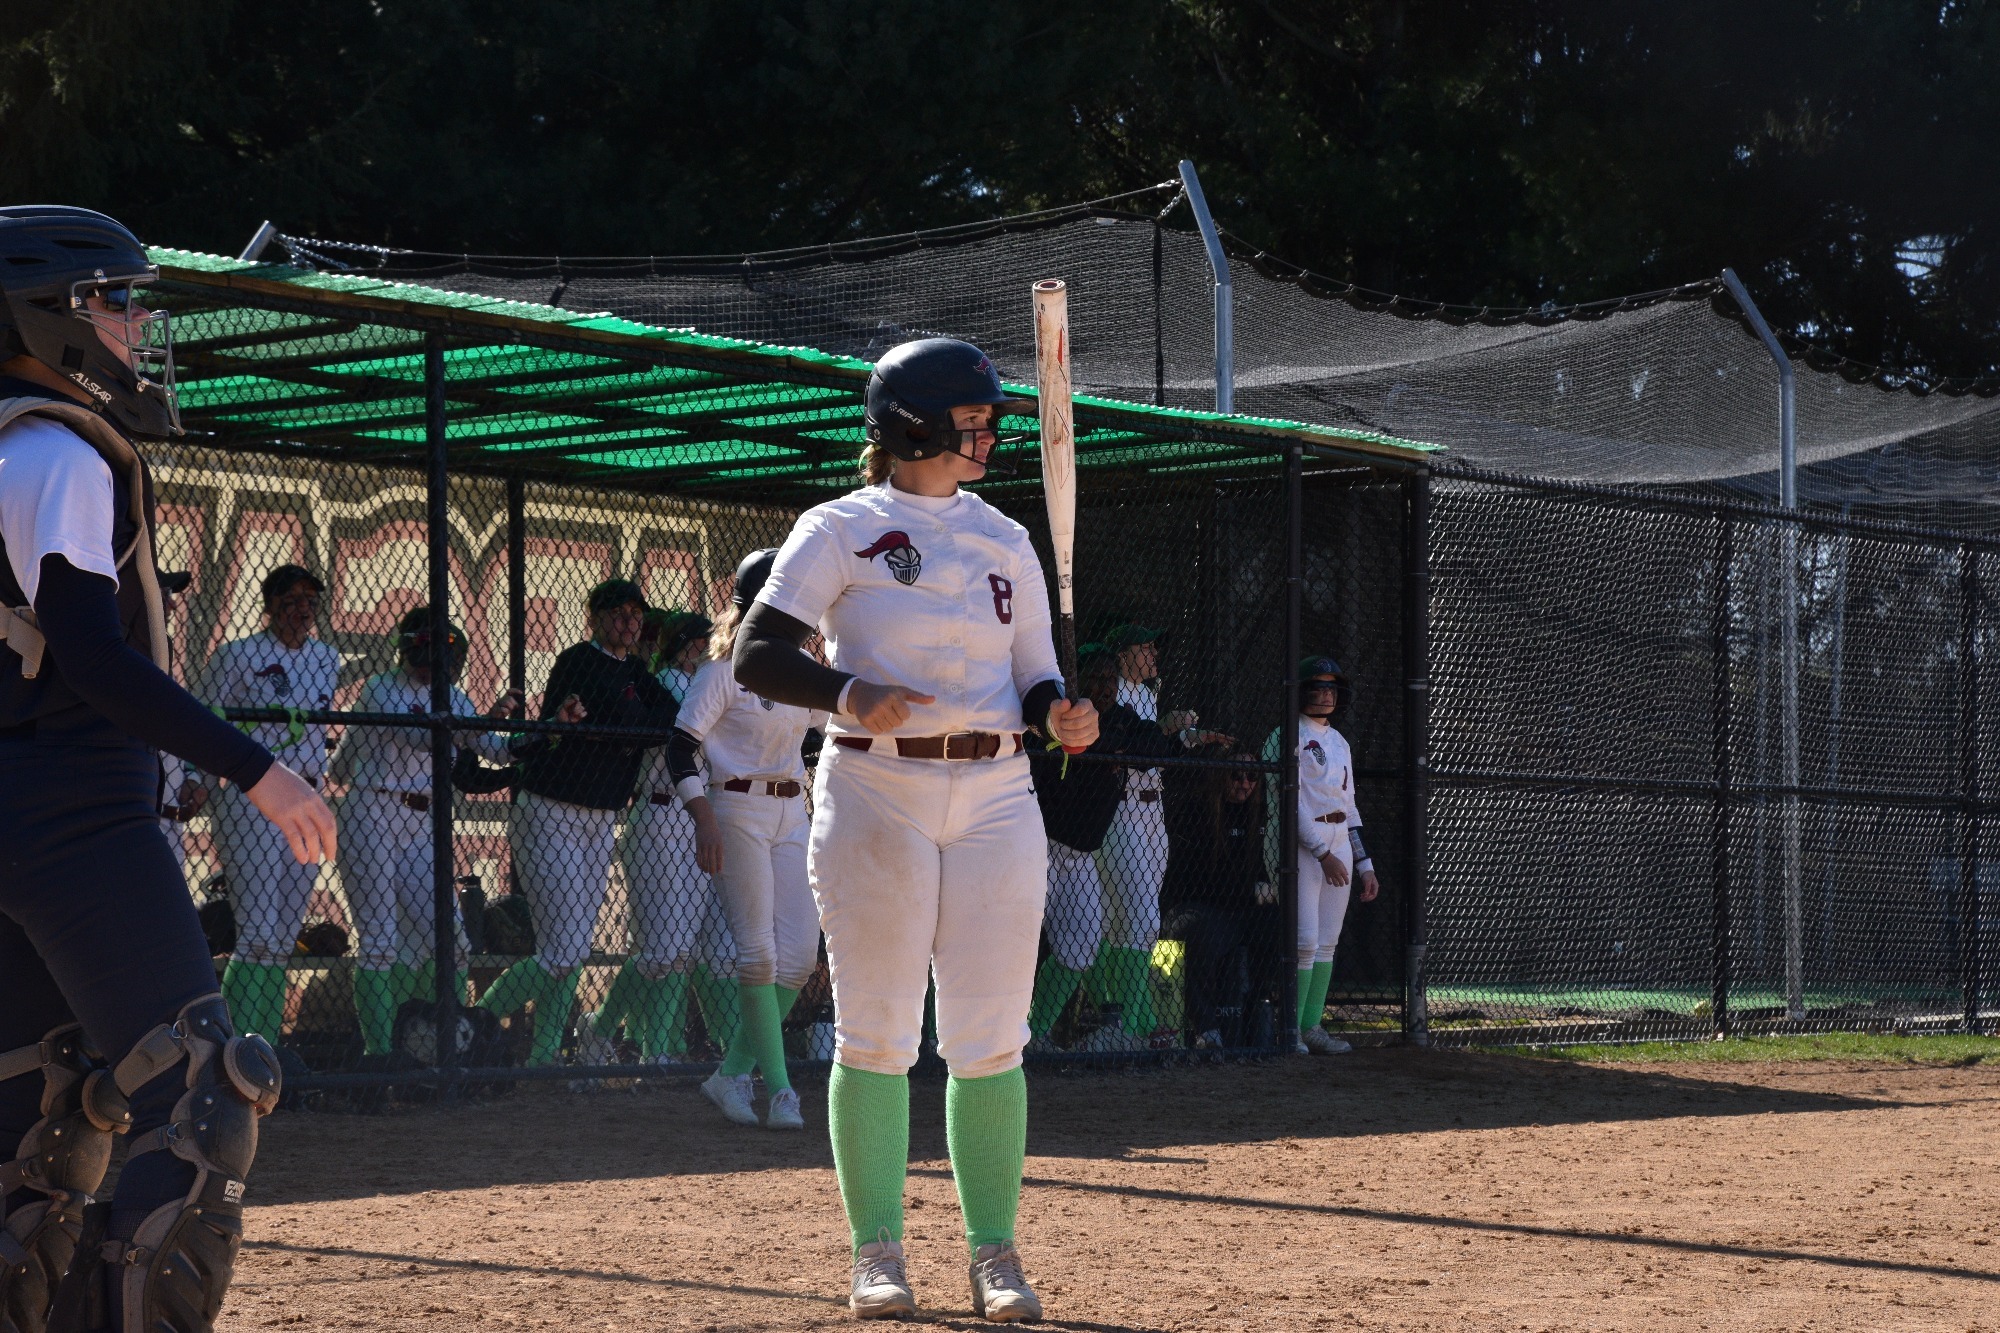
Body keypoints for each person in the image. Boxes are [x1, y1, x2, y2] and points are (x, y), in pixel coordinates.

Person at [0, 205, 335, 1330]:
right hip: (79, 816)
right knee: (204, 1088)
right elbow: (90, 653)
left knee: (35, 1122)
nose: (136, 322)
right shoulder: (56, 451)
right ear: (45, 314)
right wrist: (258, 769)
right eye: (113, 298)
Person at [735, 337, 1097, 1322]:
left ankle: (993, 1254)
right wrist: (848, 690)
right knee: (877, 1032)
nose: (988, 434)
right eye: (971, 419)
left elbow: (1034, 671)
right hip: (873, 791)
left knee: (989, 1038)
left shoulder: (1006, 536)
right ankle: (876, 1251)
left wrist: (1061, 708)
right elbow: (756, 655)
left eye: (987, 418)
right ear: (911, 428)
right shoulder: (839, 527)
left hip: (996, 793)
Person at [477, 579, 677, 1066]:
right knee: (563, 949)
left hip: (602, 817)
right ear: (594, 616)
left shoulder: (635, 669)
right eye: (618, 613)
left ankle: (543, 1058)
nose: (629, 623)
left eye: (636, 614)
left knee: (568, 947)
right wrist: (636, 724)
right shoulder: (577, 659)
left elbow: (668, 719)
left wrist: (635, 723)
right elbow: (625, 719)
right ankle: (471, 1025)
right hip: (552, 809)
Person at [678, 550, 829, 1130]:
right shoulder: (722, 671)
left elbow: (835, 721)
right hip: (735, 807)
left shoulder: (795, 670)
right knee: (758, 953)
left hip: (793, 810)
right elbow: (679, 745)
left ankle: (729, 1075)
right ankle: (782, 1090)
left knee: (798, 958)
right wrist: (703, 817)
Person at [331, 606, 521, 1057]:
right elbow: (422, 736)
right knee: (378, 940)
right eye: (427, 651)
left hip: (422, 823)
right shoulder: (381, 688)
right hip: (372, 811)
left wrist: (549, 733)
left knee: (451, 938)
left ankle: (439, 1043)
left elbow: (496, 750)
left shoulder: (455, 697)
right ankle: (380, 1055)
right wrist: (479, 722)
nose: (435, 664)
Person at [584, 608, 741, 1065]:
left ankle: (698, 1051)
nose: (709, 645)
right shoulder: (671, 681)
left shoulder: (711, 679)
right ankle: (620, 1034)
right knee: (668, 947)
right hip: (663, 816)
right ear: (685, 644)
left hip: (705, 817)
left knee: (711, 949)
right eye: (700, 640)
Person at [200, 562, 341, 1049]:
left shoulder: (327, 658)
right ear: (271, 604)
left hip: (306, 792)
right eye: (292, 600)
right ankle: (232, 1043)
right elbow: (206, 721)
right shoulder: (238, 655)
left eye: (309, 601)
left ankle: (265, 1046)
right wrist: (199, 780)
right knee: (258, 929)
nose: (302, 609)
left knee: (282, 936)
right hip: (251, 795)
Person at [1025, 645, 1186, 1053]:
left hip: (1079, 855)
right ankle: (967, 1034)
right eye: (1094, 680)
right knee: (1012, 940)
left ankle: (1035, 1032)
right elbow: (1080, 752)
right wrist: (1109, 748)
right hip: (1039, 845)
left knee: (1082, 944)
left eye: (1109, 681)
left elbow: (1153, 747)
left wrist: (1113, 743)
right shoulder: (1058, 716)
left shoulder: (1121, 718)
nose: (1104, 688)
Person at [1087, 622, 1224, 1046]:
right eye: (1145, 648)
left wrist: (1186, 735)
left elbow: (1156, 750)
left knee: (1126, 918)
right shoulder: (1110, 692)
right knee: (1140, 917)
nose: (1154, 655)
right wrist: (1166, 729)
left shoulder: (1146, 694)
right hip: (1121, 808)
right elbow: (1132, 744)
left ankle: (1114, 1016)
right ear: (1124, 654)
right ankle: (1140, 1018)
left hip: (1153, 808)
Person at [1265, 656, 1380, 1056]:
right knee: (1304, 941)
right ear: (1300, 691)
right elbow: (1290, 802)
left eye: (1332, 688)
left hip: (1339, 841)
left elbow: (1350, 806)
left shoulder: (1340, 741)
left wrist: (1363, 863)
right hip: (1303, 842)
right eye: (1317, 686)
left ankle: (1311, 1026)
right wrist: (1321, 851)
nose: (1326, 694)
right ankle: (1289, 1031)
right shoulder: (1286, 735)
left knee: (1328, 942)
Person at [1160, 754, 1286, 1049]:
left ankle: (1262, 1019)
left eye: (1252, 777)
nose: (1244, 784)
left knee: (1277, 927)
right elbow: (1199, 878)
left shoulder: (1261, 816)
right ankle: (1206, 1027)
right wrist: (1254, 892)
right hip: (1196, 905)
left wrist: (1258, 894)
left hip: (1241, 908)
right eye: (1236, 775)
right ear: (1220, 775)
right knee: (1208, 936)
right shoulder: (1196, 812)